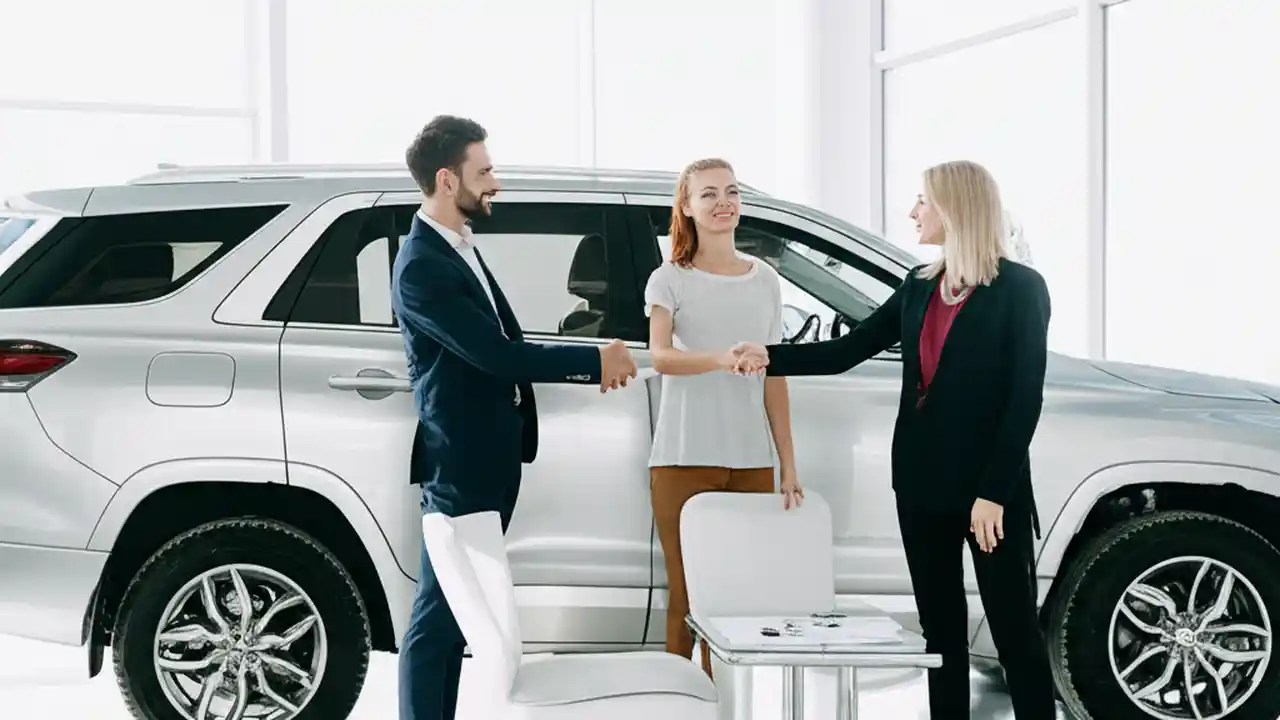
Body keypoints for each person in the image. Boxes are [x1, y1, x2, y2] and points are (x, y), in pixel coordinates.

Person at [733, 160, 1057, 719]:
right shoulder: (917, 286)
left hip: (988, 497)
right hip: (920, 486)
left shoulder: (1021, 290)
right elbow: (845, 351)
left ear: (955, 209)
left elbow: (1024, 398)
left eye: (923, 202)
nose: (913, 212)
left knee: (1015, 635)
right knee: (940, 638)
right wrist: (770, 355)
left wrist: (995, 493)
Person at [392, 114, 638, 720]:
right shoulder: (423, 264)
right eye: (485, 171)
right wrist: (594, 360)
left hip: (487, 457)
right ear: (448, 181)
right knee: (440, 615)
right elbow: (497, 354)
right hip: (461, 461)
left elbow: (499, 341)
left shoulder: (459, 248)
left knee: (449, 612)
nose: (496, 183)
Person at [644, 157, 802, 677]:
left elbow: (773, 377)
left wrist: (788, 464)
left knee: (736, 603)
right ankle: (674, 705)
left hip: (750, 462)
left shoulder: (766, 280)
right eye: (708, 194)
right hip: (683, 457)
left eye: (731, 192)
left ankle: (724, 706)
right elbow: (661, 358)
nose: (723, 203)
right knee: (686, 598)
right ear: (686, 207)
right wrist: (719, 357)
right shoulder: (669, 279)